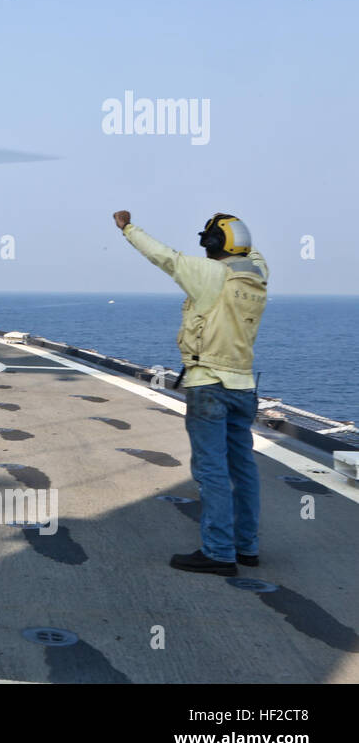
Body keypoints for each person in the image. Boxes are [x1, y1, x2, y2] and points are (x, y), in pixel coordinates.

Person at [115, 210, 269, 576]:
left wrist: (127, 228)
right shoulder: (257, 274)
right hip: (244, 386)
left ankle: (218, 552)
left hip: (209, 386)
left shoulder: (210, 275)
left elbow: (164, 256)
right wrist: (228, 227)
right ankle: (247, 547)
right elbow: (250, 250)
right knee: (243, 466)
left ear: (213, 245)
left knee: (211, 469)